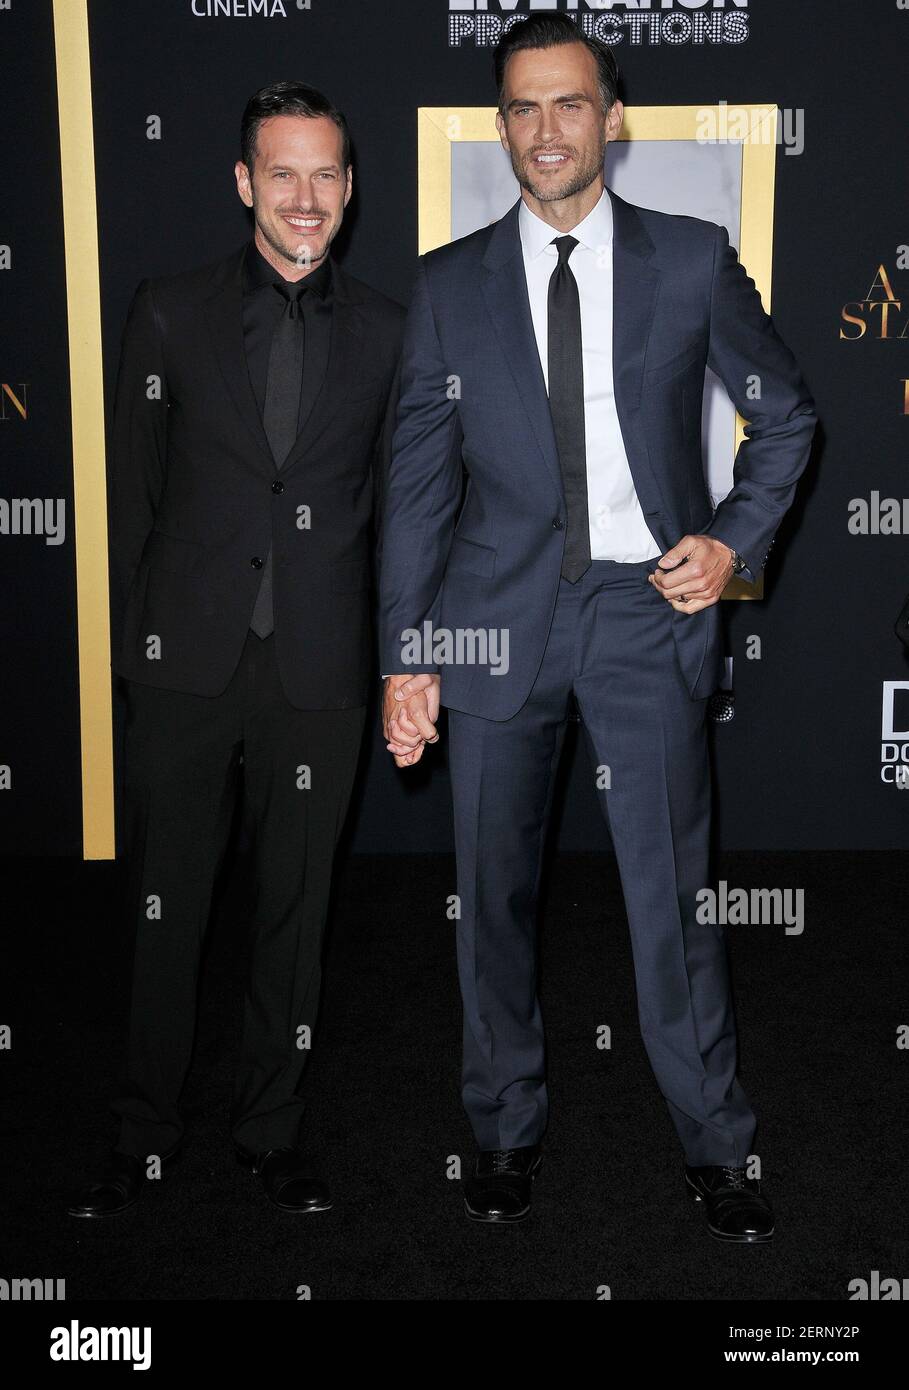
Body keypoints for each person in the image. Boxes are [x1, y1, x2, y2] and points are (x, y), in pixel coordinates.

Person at [379, 15, 816, 1241]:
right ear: (504, 125)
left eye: (569, 103)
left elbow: (785, 418)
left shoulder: (687, 259)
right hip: (487, 622)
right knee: (491, 894)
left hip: (643, 613)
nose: (546, 130)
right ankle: (504, 1128)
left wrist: (731, 541)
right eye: (522, 108)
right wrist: (405, 651)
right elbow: (418, 484)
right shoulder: (448, 281)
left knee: (670, 901)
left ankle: (717, 1145)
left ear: (609, 116)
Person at [68, 82, 404, 1219]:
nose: (304, 199)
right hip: (185, 663)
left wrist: (403, 654)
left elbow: (400, 513)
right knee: (165, 909)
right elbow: (133, 498)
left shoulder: (391, 331)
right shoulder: (167, 310)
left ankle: (273, 1131)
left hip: (319, 669)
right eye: (283, 174)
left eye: (325, 177)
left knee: (295, 913)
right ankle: (139, 1135)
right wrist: (134, 655)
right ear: (243, 183)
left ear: (350, 190)